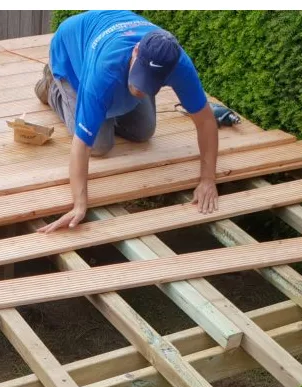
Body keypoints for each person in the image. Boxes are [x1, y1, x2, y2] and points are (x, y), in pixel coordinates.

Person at [34, 11, 220, 234]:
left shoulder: (179, 64)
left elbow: (206, 121)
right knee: (100, 145)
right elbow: (81, 145)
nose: (141, 89)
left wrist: (208, 179)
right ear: (136, 52)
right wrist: (79, 204)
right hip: (73, 52)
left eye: (151, 84)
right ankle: (52, 85)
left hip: (114, 50)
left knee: (144, 131)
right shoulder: (104, 70)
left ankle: (109, 105)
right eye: (141, 77)